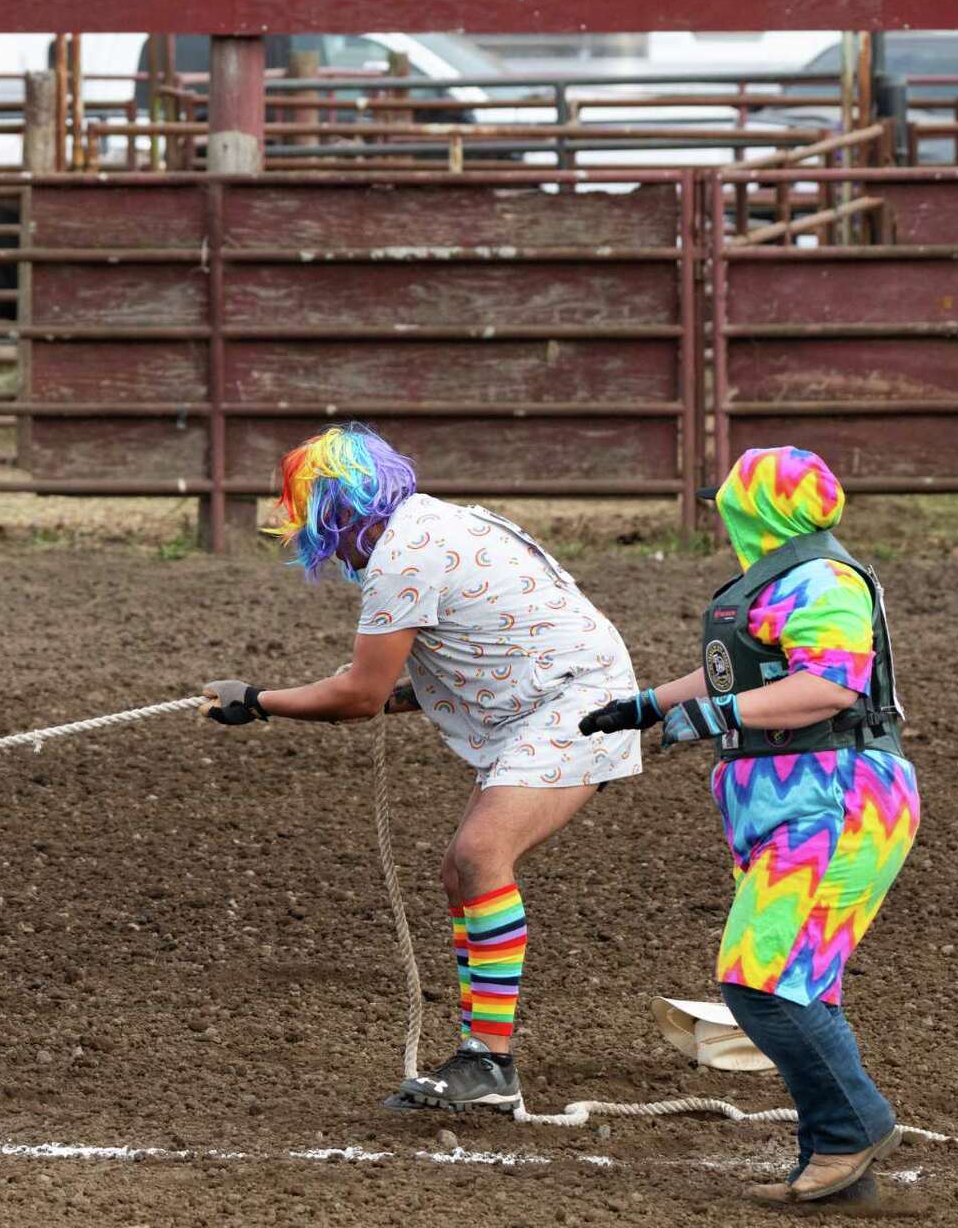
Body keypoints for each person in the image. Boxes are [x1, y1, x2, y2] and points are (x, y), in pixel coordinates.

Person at [202, 424, 642, 1110]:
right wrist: (351, 692)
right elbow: (444, 662)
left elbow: (359, 695)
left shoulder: (402, 559)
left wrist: (256, 701)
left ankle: (488, 1061)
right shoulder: (432, 523)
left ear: (338, 512)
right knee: (461, 869)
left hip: (576, 701)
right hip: (558, 693)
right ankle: (483, 1056)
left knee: (479, 853)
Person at [580, 446, 918, 1204]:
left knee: (762, 981)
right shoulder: (779, 582)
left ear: (760, 511)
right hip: (796, 799)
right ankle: (837, 1172)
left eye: (730, 503)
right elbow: (744, 669)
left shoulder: (824, 580)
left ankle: (850, 1129)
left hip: (837, 795)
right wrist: (649, 704)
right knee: (793, 983)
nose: (721, 514)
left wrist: (714, 717)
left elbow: (830, 683)